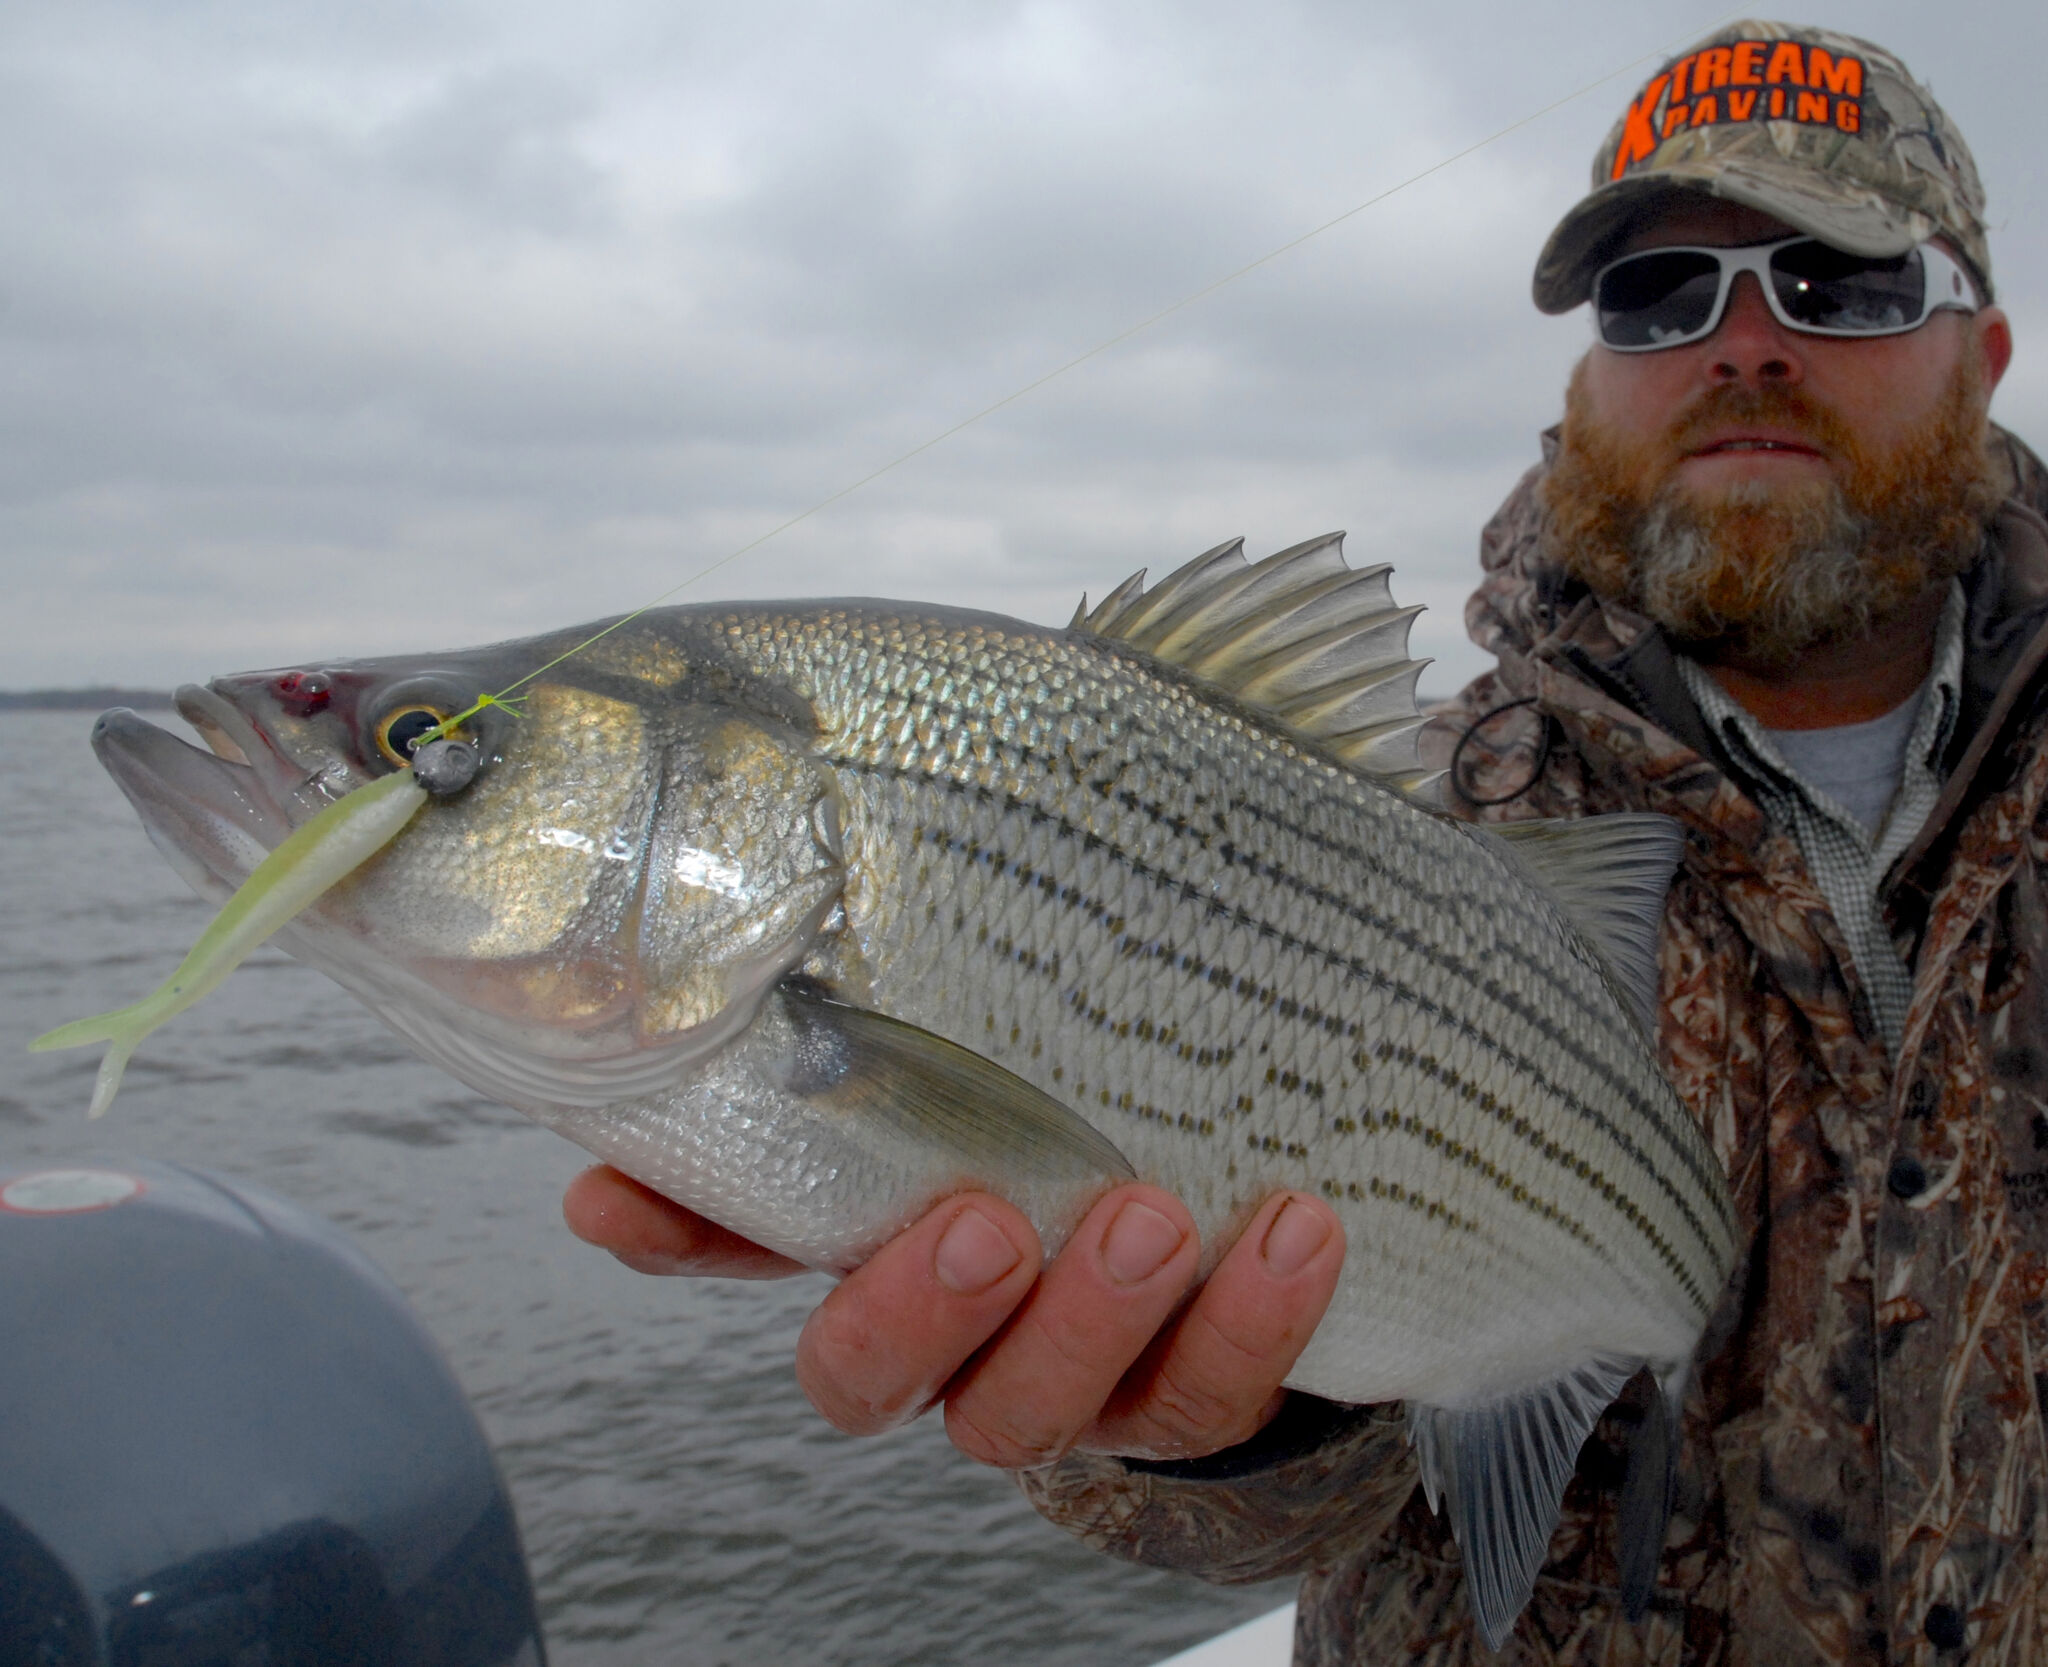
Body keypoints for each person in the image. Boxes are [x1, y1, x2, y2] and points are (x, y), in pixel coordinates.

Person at [561, 20, 2048, 1661]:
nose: (1745, 344)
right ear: (1590, 383)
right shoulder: (1403, 816)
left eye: (1842, 285)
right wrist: (1221, 1412)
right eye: (1660, 297)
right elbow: (1263, 1512)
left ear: (1980, 359)